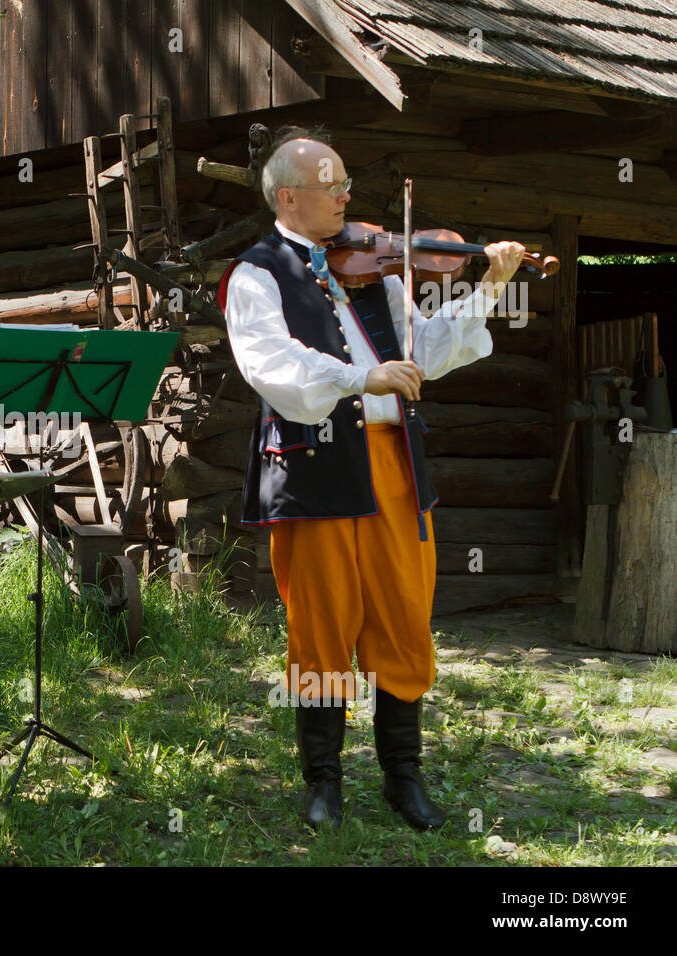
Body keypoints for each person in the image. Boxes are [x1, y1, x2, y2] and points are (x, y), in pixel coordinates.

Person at [220, 129, 525, 830]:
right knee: (321, 624)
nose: (347, 197)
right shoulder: (256, 275)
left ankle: (403, 778)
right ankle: (322, 781)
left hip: (393, 466)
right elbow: (273, 365)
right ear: (290, 197)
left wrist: (489, 287)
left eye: (347, 183)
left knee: (403, 617)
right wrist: (360, 377)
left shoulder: (375, 272)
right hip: (314, 465)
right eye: (333, 186)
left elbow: (430, 351)